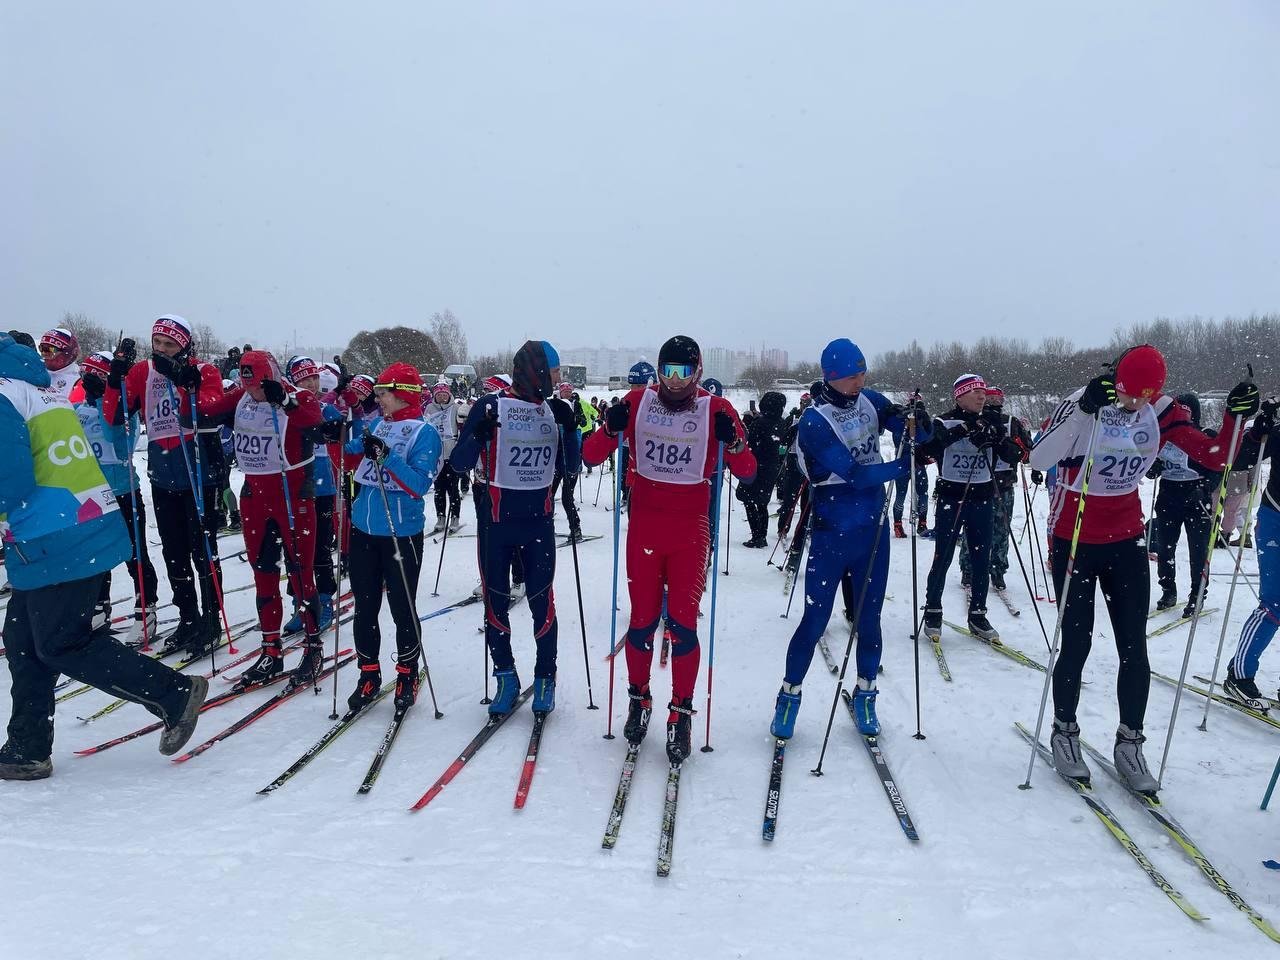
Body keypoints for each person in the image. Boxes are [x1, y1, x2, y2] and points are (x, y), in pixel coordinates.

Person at [1030, 345, 1256, 791]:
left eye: (1144, 398)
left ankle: (1130, 742)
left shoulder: (1164, 410)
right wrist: (1082, 411)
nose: (1135, 405)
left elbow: (1214, 455)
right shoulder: (1086, 398)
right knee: (1075, 642)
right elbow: (1039, 458)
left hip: (1127, 539)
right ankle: (1064, 731)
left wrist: (1234, 417)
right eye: (1130, 396)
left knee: (1134, 646)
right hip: (1074, 536)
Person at [0, 332, 207, 780]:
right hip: (65, 527)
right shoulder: (28, 382)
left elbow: (10, 483)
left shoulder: (4, 392)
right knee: (23, 640)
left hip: (57, 533)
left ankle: (174, 693)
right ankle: (27, 746)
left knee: (59, 643)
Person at [583, 335, 756, 764]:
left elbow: (749, 472)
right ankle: (639, 699)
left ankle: (680, 710)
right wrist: (609, 427)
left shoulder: (715, 407)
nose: (675, 382)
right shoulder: (637, 400)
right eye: (667, 372)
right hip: (644, 528)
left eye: (684, 372)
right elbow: (589, 455)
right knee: (641, 624)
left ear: (698, 372)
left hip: (690, 531)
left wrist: (732, 442)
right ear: (657, 370)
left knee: (682, 625)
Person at [769, 340, 918, 738]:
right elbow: (854, 474)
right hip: (832, 530)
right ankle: (789, 697)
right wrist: (901, 467)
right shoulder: (814, 422)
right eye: (854, 375)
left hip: (872, 530)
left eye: (863, 372)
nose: (861, 380)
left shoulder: (867, 398)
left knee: (870, 620)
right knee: (815, 621)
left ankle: (867, 693)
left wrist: (913, 421)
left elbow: (897, 420)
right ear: (833, 376)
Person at [451, 341, 580, 715]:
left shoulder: (554, 410)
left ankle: (545, 677)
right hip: (495, 525)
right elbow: (459, 465)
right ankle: (505, 677)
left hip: (537, 524)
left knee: (543, 603)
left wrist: (570, 428)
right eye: (555, 372)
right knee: (496, 604)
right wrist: (479, 435)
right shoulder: (490, 405)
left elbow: (572, 466)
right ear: (537, 371)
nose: (559, 380)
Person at [103, 316, 228, 656]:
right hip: (163, 473)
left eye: (170, 345)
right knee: (173, 551)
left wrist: (186, 383)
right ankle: (188, 617)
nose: (161, 350)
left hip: (199, 473)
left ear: (185, 346)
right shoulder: (144, 372)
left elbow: (210, 410)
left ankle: (211, 618)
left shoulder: (205, 371)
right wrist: (116, 376)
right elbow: (115, 414)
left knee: (202, 550)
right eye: (157, 343)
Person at [201, 352, 326, 688]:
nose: (253, 392)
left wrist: (284, 400)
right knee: (263, 574)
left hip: (293, 496)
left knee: (301, 575)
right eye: (247, 385)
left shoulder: (298, 396)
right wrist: (189, 385)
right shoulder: (241, 398)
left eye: (258, 386)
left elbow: (316, 425)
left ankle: (313, 648)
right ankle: (271, 652)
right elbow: (200, 415)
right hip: (255, 498)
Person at [343, 363, 440, 711]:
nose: (378, 399)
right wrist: (339, 439)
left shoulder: (424, 432)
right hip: (364, 529)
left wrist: (388, 458)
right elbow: (354, 450)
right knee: (365, 608)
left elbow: (419, 485)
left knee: (402, 609)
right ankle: (368, 674)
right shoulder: (379, 422)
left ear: (402, 394)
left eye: (384, 393)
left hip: (400, 533)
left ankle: (406, 673)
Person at [918, 374, 1021, 642]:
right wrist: (962, 431)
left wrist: (995, 438)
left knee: (981, 558)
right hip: (952, 497)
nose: (981, 396)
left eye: (983, 392)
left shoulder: (993, 420)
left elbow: (1014, 455)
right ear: (959, 395)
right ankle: (932, 611)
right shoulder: (944, 420)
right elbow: (926, 450)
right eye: (975, 392)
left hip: (983, 498)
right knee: (943, 555)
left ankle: (978, 614)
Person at [75, 351, 159, 636]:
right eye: (87, 373)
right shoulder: (79, 410)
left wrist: (102, 399)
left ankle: (145, 609)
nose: (90, 379)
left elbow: (117, 442)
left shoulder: (125, 410)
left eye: (97, 374)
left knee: (135, 555)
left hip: (124, 490)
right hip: (94, 494)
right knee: (97, 556)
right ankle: (99, 607)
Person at [278, 356, 339, 634]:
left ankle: (324, 600)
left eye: (314, 377)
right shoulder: (283, 411)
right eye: (303, 378)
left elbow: (341, 432)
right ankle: (299, 603)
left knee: (321, 547)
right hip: (294, 487)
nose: (311, 383)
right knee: (294, 550)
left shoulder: (326, 408)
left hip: (323, 487)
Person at [1225, 400, 1279, 705]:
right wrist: (1257, 433)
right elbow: (1242, 460)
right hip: (1276, 522)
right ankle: (1239, 674)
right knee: (1275, 603)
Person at [1147, 393, 1216, 616]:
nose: (1184, 416)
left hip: (1196, 496)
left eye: (1188, 412)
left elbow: (1218, 468)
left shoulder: (1204, 436)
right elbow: (1148, 461)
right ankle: (1168, 590)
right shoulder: (1164, 434)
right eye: (1181, 411)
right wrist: (1152, 467)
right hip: (1169, 492)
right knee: (1165, 547)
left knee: (1198, 550)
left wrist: (1205, 487)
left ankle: (1197, 595)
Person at [958, 386, 1030, 592]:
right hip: (977, 484)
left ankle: (997, 570)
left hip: (1004, 485)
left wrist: (1012, 446)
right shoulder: (973, 421)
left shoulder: (1010, 422)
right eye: (990, 402)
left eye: (997, 402)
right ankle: (968, 569)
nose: (993, 406)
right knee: (972, 529)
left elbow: (1027, 451)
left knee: (1001, 530)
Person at [738, 390, 788, 547]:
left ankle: (757, 535)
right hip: (773, 467)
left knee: (748, 500)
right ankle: (762, 535)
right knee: (762, 502)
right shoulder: (781, 422)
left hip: (756, 466)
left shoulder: (759, 423)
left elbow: (749, 444)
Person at [891, 389, 931, 539]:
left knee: (923, 493)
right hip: (904, 462)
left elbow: (928, 440)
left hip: (918, 463)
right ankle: (898, 525)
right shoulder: (902, 421)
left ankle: (922, 523)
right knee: (901, 494)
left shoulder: (923, 421)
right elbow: (898, 441)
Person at [425, 381, 463, 534]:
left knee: (453, 488)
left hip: (451, 452)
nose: (441, 397)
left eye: (444, 394)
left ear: (449, 395)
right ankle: (441, 516)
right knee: (439, 489)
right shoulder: (429, 408)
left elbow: (461, 426)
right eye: (439, 394)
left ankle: (454, 517)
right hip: (436, 455)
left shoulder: (455, 408)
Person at [550, 380, 585, 541]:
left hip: (571, 457)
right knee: (548, 494)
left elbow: (584, 422)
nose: (568, 393)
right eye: (565, 391)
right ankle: (547, 525)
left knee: (566, 498)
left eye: (570, 391)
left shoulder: (576, 404)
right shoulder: (555, 405)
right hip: (557, 459)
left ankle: (575, 528)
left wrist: (576, 420)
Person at [38, 327, 82, 401]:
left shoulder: (79, 379)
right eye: (41, 348)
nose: (44, 354)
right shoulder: (37, 374)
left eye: (49, 350)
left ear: (66, 352)